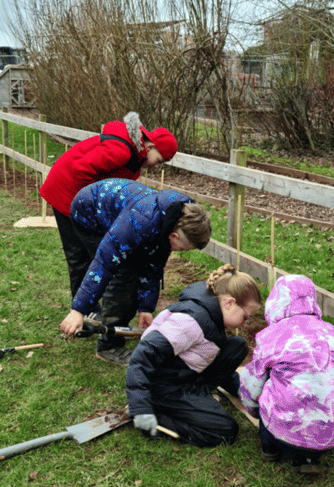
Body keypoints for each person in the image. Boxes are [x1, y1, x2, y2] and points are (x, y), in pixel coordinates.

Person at [56, 178, 212, 365]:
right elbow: (104, 263)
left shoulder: (176, 218)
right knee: (123, 275)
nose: (180, 252)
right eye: (183, 248)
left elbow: (154, 264)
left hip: (121, 211)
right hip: (89, 212)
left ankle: (114, 323)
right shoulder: (141, 222)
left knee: (133, 268)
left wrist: (145, 308)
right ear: (174, 235)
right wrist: (78, 310)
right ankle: (108, 346)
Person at [239, 274, 334, 475]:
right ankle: (310, 458)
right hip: (330, 432)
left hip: (282, 430)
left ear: (275, 302)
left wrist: (252, 410)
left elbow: (252, 383)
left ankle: (270, 449)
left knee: (268, 381)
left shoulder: (270, 337)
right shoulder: (333, 333)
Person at [40, 112, 176, 305]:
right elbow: (81, 170)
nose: (157, 167)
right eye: (159, 160)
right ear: (151, 146)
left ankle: (92, 303)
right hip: (66, 193)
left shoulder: (133, 155)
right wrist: (93, 208)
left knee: (95, 252)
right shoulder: (122, 151)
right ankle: (84, 310)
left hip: (78, 196)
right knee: (79, 255)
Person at [126, 264, 262, 447]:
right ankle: (158, 415)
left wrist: (242, 389)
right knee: (224, 431)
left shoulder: (212, 313)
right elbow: (141, 357)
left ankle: (198, 394)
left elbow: (211, 355)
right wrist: (140, 407)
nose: (245, 323)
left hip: (183, 373)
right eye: (245, 317)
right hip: (163, 386)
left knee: (236, 346)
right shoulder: (190, 323)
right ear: (229, 303)